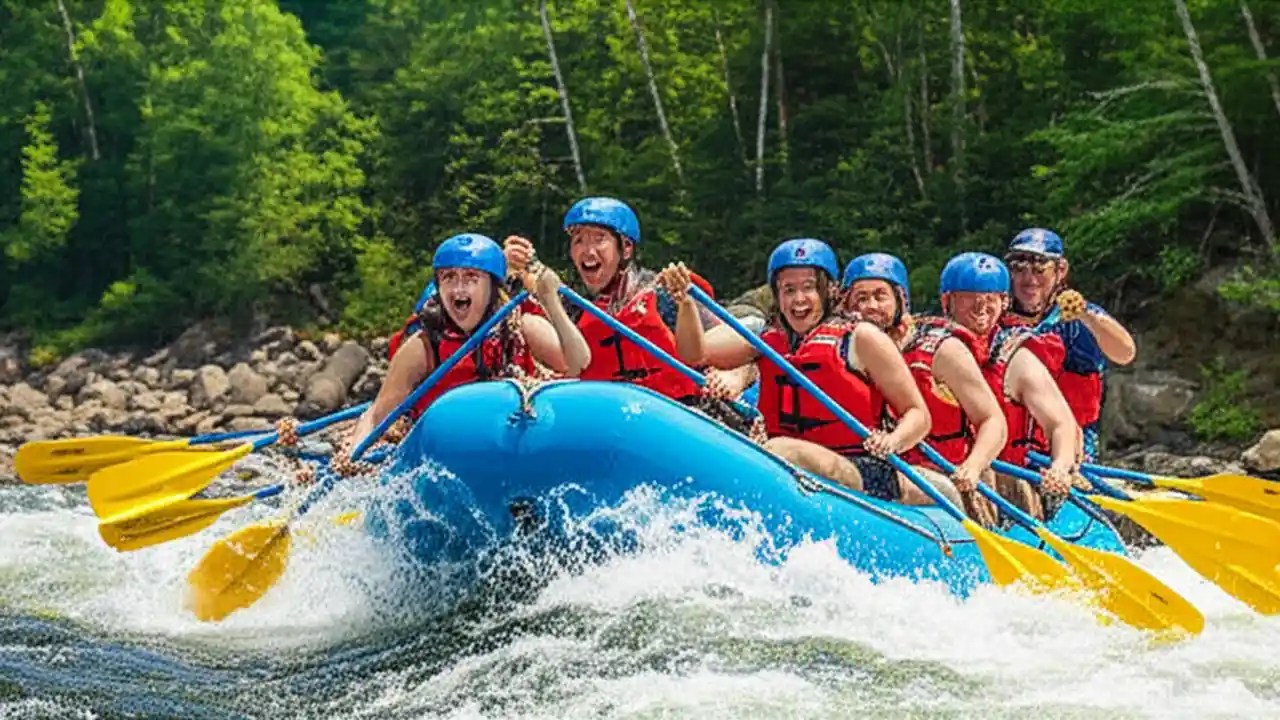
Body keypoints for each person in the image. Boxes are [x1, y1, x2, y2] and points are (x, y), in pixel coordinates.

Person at [661, 238, 961, 507]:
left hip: (860, 468)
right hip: (789, 466)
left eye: (808, 288)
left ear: (828, 291)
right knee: (771, 451)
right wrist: (686, 303)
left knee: (779, 450)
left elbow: (918, 416)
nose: (798, 299)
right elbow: (693, 354)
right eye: (788, 290)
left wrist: (893, 441)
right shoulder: (766, 340)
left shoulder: (861, 338)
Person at [344, 233, 590, 451]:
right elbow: (377, 416)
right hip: (448, 451)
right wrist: (354, 457)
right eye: (449, 277)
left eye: (471, 277)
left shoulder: (524, 327)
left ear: (493, 287)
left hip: (514, 446)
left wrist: (551, 302)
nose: (458, 287)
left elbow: (580, 365)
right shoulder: (423, 346)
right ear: (439, 288)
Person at [503, 196, 752, 404]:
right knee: (529, 322)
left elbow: (740, 346)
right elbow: (525, 303)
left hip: (678, 409)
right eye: (578, 240)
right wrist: (512, 269)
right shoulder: (576, 306)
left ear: (626, 248)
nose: (587, 250)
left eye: (599, 238)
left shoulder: (662, 293)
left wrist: (737, 375)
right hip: (609, 416)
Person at [842, 253, 1006, 521]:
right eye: (861, 298)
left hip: (944, 479)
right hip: (879, 474)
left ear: (900, 301)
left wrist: (973, 467)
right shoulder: (846, 350)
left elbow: (992, 420)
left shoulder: (942, 350)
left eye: (880, 296)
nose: (870, 306)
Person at [939, 252, 1081, 519]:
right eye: (969, 296)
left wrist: (1061, 467)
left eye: (991, 298)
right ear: (947, 301)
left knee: (989, 477)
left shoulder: (1016, 358)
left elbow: (1061, 424)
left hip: (1005, 481)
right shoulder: (931, 348)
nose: (981, 307)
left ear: (1004, 302)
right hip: (943, 470)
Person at [1003, 228, 1136, 461]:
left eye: (1040, 268)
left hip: (1071, 445)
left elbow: (1125, 353)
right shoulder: (997, 315)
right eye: (1018, 268)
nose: (1029, 279)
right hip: (1013, 444)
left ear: (1060, 270)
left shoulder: (1075, 317)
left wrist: (1087, 315)